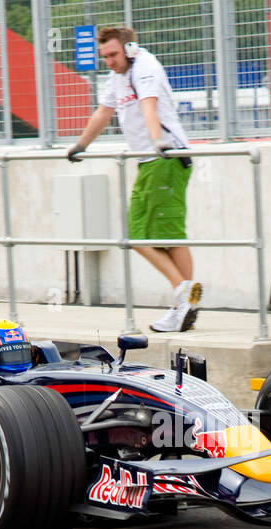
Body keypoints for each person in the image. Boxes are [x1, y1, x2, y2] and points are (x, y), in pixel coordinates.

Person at [66, 25, 201, 333]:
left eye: (113, 54)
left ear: (128, 49)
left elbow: (149, 106)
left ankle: (184, 296)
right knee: (148, 234)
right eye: (104, 57)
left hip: (164, 158)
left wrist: (157, 142)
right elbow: (103, 112)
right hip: (148, 162)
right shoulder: (117, 76)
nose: (109, 61)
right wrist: (81, 145)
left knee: (151, 236)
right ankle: (186, 300)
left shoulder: (145, 66)